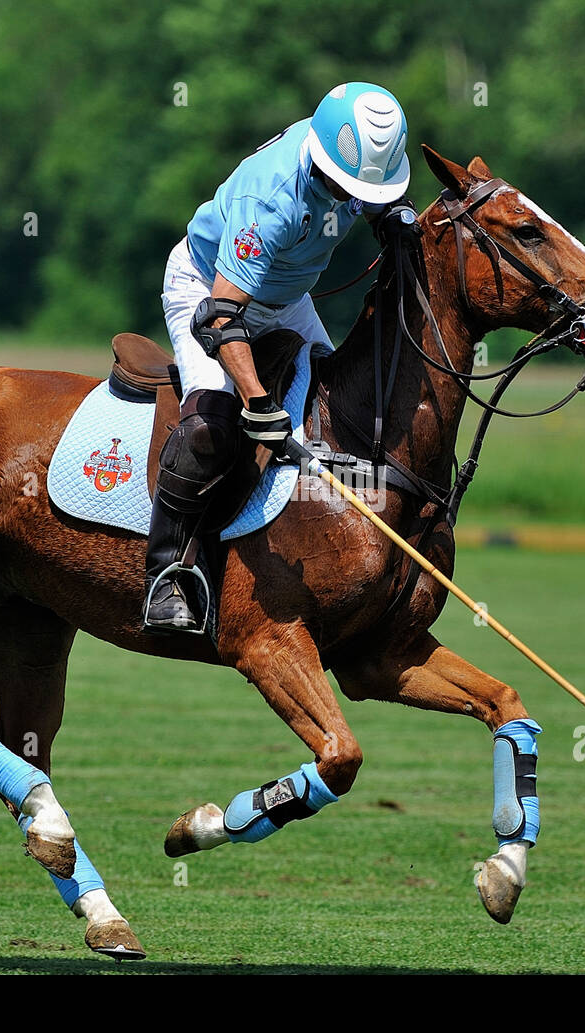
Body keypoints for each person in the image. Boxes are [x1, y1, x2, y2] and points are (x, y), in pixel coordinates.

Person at [145, 82, 416, 632]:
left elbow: (371, 194)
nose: (353, 197)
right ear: (323, 159)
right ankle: (167, 576)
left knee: (338, 402)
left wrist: (392, 219)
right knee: (210, 426)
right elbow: (219, 318)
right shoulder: (270, 201)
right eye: (346, 186)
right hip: (206, 288)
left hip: (286, 297)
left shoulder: (350, 159)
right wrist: (258, 403)